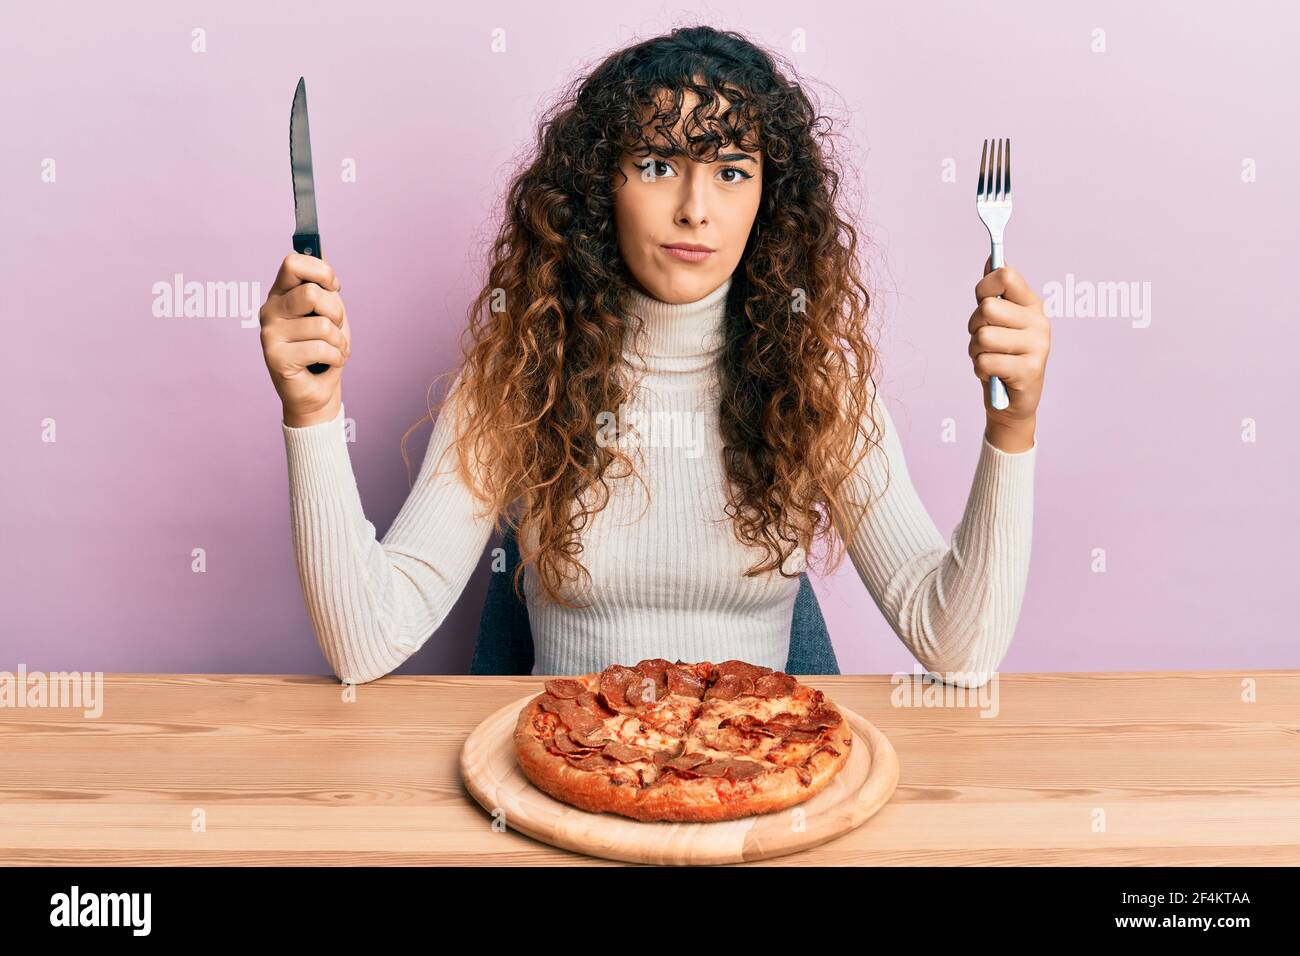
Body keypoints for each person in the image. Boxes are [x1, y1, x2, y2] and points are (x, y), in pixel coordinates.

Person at [258, 26, 1049, 686]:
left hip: (757, 779)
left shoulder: (818, 382)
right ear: (601, 186)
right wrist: (313, 412)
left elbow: (959, 647)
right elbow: (365, 643)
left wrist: (1012, 428)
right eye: (658, 165)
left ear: (768, 200)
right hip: (569, 770)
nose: (695, 209)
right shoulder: (520, 373)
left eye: (731, 172)